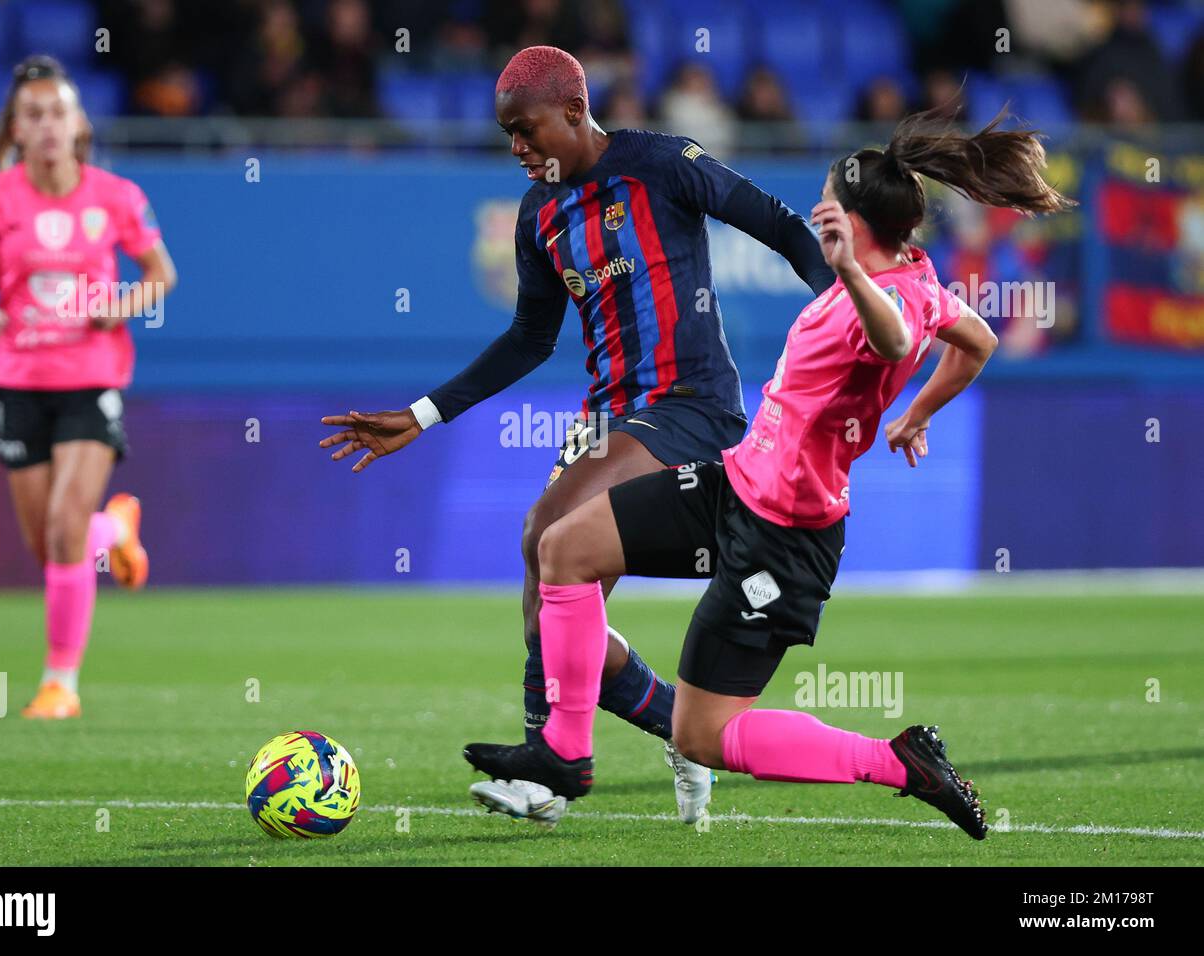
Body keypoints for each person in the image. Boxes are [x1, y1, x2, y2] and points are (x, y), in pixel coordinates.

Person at [464, 105, 1075, 839]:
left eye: (828, 198)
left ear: (853, 223)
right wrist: (918, 415)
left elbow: (894, 337)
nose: (818, 207)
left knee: (703, 735)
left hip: (784, 540)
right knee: (563, 546)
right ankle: (563, 756)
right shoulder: (915, 271)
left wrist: (848, 274)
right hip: (733, 485)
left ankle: (899, 760)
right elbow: (974, 340)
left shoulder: (883, 298)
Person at [320, 45, 835, 826]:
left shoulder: (662, 166)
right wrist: (424, 414)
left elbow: (781, 226)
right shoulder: (541, 216)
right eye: (507, 138)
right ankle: (681, 729)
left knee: (547, 529)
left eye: (527, 132)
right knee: (551, 598)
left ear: (573, 112)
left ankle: (548, 773)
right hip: (608, 418)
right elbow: (529, 339)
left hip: (692, 404)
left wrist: (844, 313)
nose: (518, 150)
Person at [0, 56, 178, 719]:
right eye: (33, 114)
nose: (47, 125)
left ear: (79, 123)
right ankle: (115, 531)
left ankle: (59, 683)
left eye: (58, 112)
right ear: (15, 128)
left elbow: (161, 273)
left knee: (64, 529)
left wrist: (122, 305)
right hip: (18, 381)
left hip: (91, 377)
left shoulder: (116, 196)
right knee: (49, 544)